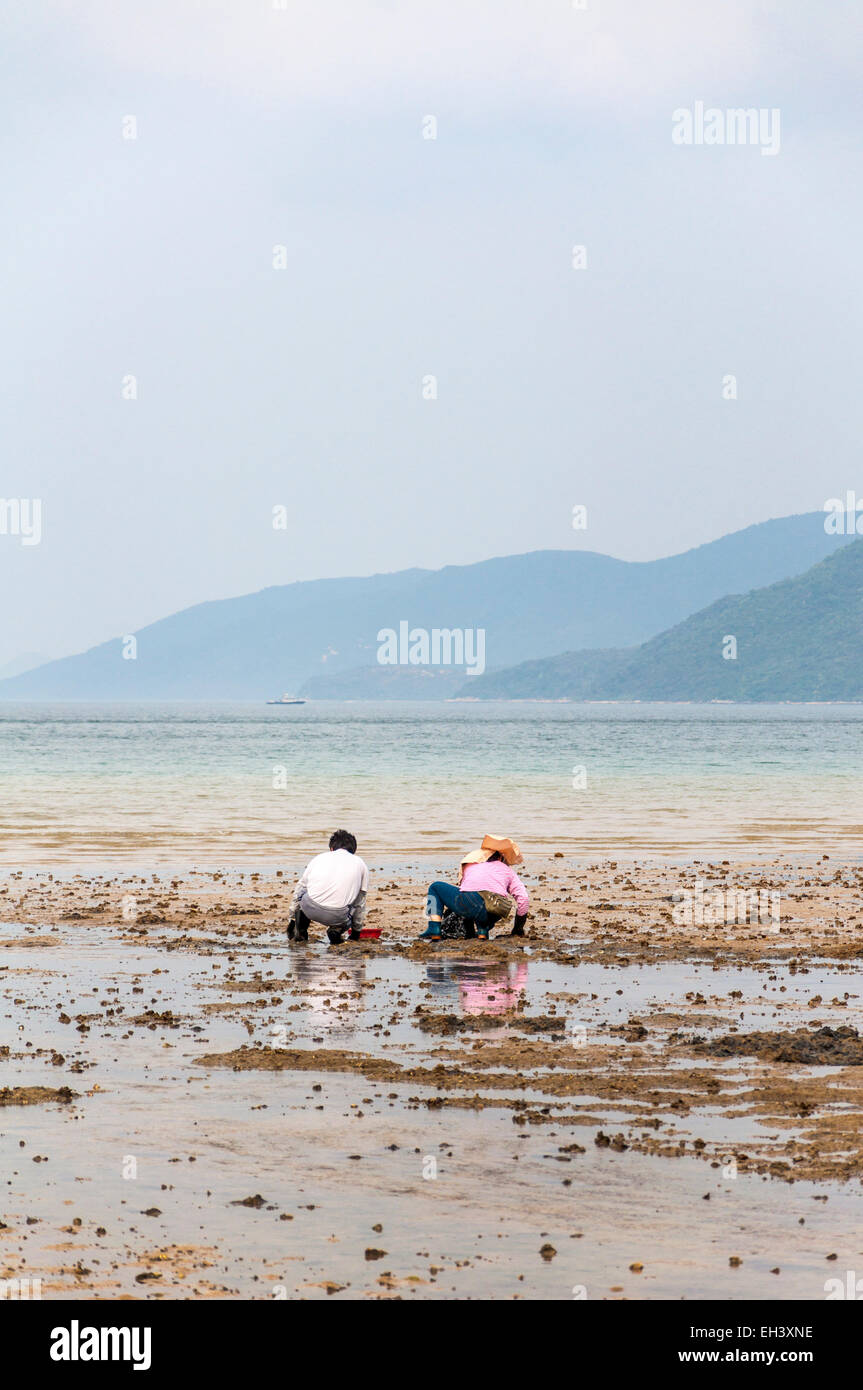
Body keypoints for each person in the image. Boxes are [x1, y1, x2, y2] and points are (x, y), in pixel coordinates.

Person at [418, 834, 529, 941]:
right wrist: (517, 929)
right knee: (484, 902)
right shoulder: (508, 871)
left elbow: (465, 890)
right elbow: (523, 899)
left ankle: (434, 928)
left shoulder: (471, 865)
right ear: (500, 858)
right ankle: (482, 932)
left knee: (435, 887)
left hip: (471, 903)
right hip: (496, 910)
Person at [287, 829, 369, 944]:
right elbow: (360, 903)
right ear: (353, 851)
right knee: (354, 904)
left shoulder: (319, 858)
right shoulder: (360, 863)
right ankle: (336, 930)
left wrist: (292, 920)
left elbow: (300, 888)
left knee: (303, 892)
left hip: (309, 909)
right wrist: (356, 933)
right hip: (337, 916)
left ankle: (300, 930)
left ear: (331, 848)